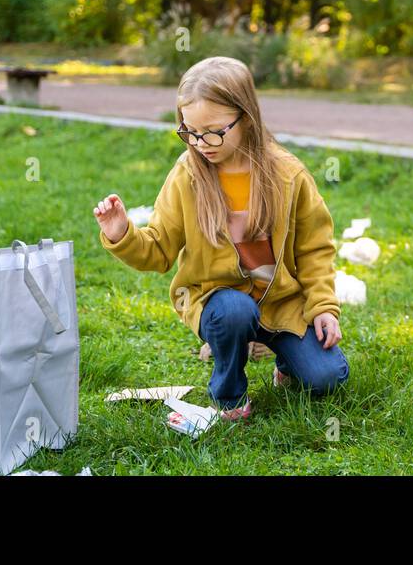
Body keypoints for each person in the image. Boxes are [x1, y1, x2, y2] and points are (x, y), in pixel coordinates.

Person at [92, 56, 347, 421]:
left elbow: (315, 248)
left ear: (246, 117)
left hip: (280, 303)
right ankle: (230, 396)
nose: (200, 144)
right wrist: (121, 234)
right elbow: (159, 251)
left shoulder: (288, 174)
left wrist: (322, 306)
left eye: (212, 131)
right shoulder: (187, 175)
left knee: (328, 377)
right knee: (233, 312)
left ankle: (282, 360)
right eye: (189, 132)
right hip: (220, 302)